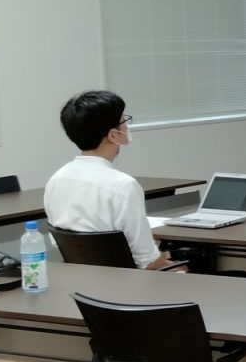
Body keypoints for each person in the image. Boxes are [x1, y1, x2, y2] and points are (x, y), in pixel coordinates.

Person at [44, 91, 176, 270]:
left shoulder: (56, 180)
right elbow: (147, 261)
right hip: (129, 282)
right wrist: (178, 266)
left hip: (80, 280)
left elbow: (58, 242)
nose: (127, 126)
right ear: (113, 135)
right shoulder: (124, 185)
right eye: (124, 121)